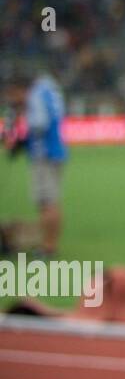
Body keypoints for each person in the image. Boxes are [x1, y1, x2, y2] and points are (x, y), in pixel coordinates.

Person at [6, 70, 68, 257]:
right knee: (50, 201)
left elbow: (40, 124)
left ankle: (48, 247)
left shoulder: (36, 94)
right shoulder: (48, 89)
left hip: (44, 154)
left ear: (20, 89)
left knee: (47, 202)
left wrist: (22, 141)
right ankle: (48, 244)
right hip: (55, 151)